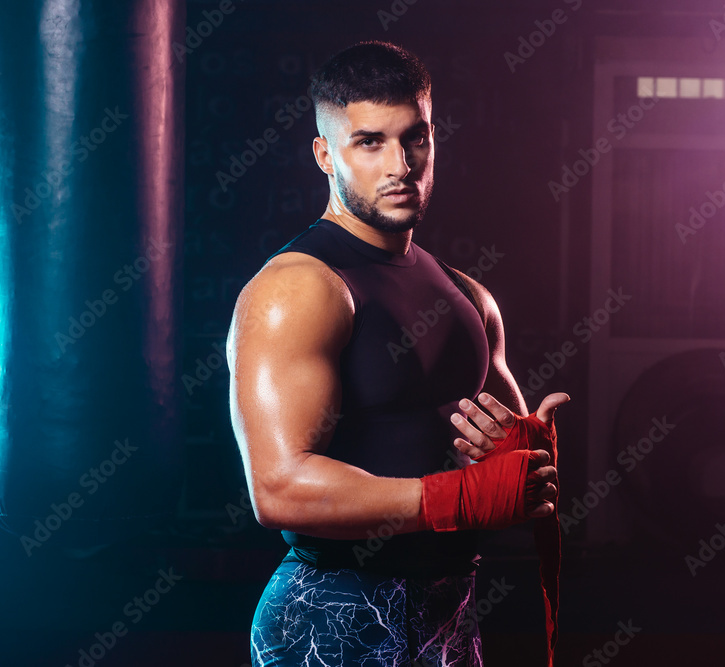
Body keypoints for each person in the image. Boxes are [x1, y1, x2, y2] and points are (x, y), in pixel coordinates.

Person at [226, 40, 569, 667]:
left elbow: (508, 469)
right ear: (324, 155)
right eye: (369, 142)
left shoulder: (469, 295)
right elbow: (279, 489)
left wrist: (524, 456)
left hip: (450, 612)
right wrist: (459, 496)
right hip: (332, 616)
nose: (401, 165)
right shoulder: (298, 289)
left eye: (416, 138)